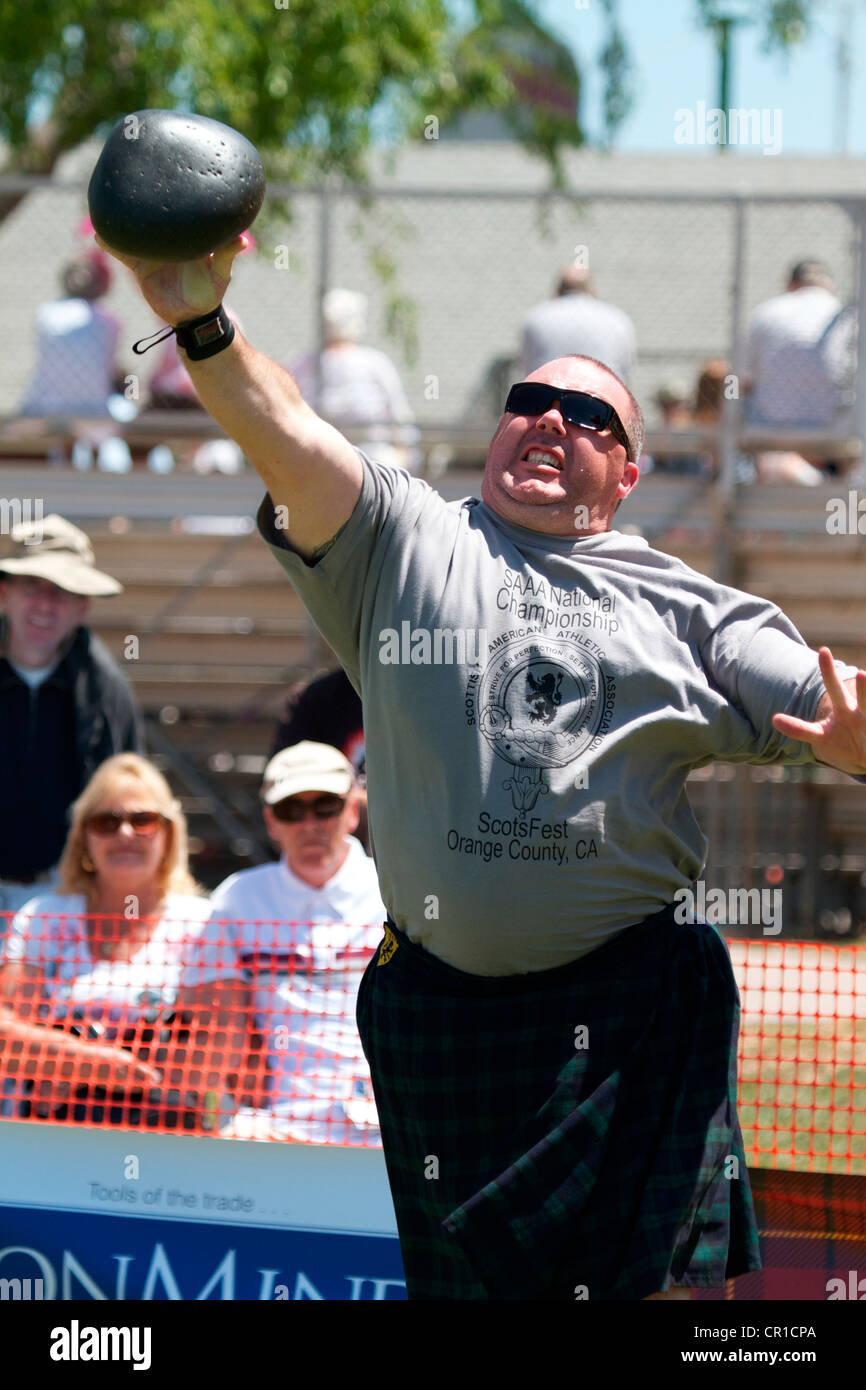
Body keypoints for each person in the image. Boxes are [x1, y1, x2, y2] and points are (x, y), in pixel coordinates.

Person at [100, 232, 866, 1302]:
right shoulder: (402, 541)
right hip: (442, 1016)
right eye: (528, 398)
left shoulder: (688, 609)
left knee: (662, 1298)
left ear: (627, 473)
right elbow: (287, 436)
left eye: (590, 415)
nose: (551, 419)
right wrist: (201, 322)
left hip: (634, 1015)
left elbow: (819, 697)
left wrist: (847, 732)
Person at [178, 741, 385, 1144]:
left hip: (386, 1134)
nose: (310, 824)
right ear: (271, 822)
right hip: (271, 1132)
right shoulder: (236, 899)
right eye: (292, 810)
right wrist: (224, 1120)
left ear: (352, 811)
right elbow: (209, 1029)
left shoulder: (395, 892)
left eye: (325, 805)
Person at [0, 754, 210, 1124]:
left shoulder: (201, 924)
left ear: (169, 834)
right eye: (106, 822)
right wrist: (95, 1064)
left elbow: (214, 1050)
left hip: (164, 1138)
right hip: (51, 1136)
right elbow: (5, 1032)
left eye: (143, 820)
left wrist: (62, 1063)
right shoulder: (42, 917)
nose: (125, 833)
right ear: (83, 839)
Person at [0, 515, 144, 917]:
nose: (45, 605)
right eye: (33, 586)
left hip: (66, 897)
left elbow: (126, 799)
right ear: (3, 593)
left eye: (62, 591)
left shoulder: (108, 691)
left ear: (83, 606)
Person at [743, 260, 852, 484]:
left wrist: (735, 412)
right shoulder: (846, 316)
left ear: (791, 285)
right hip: (837, 448)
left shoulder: (766, 313)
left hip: (775, 447)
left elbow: (740, 379)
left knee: (736, 394)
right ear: (829, 286)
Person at [289, 288, 419, 471]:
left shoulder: (373, 363)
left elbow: (401, 421)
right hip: (321, 457)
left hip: (371, 459)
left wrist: (402, 456)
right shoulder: (305, 364)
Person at [520, 264, 636, 384]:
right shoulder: (617, 319)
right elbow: (625, 370)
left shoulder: (536, 317)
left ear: (558, 290)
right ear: (592, 290)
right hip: (602, 395)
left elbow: (527, 367)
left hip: (550, 395)